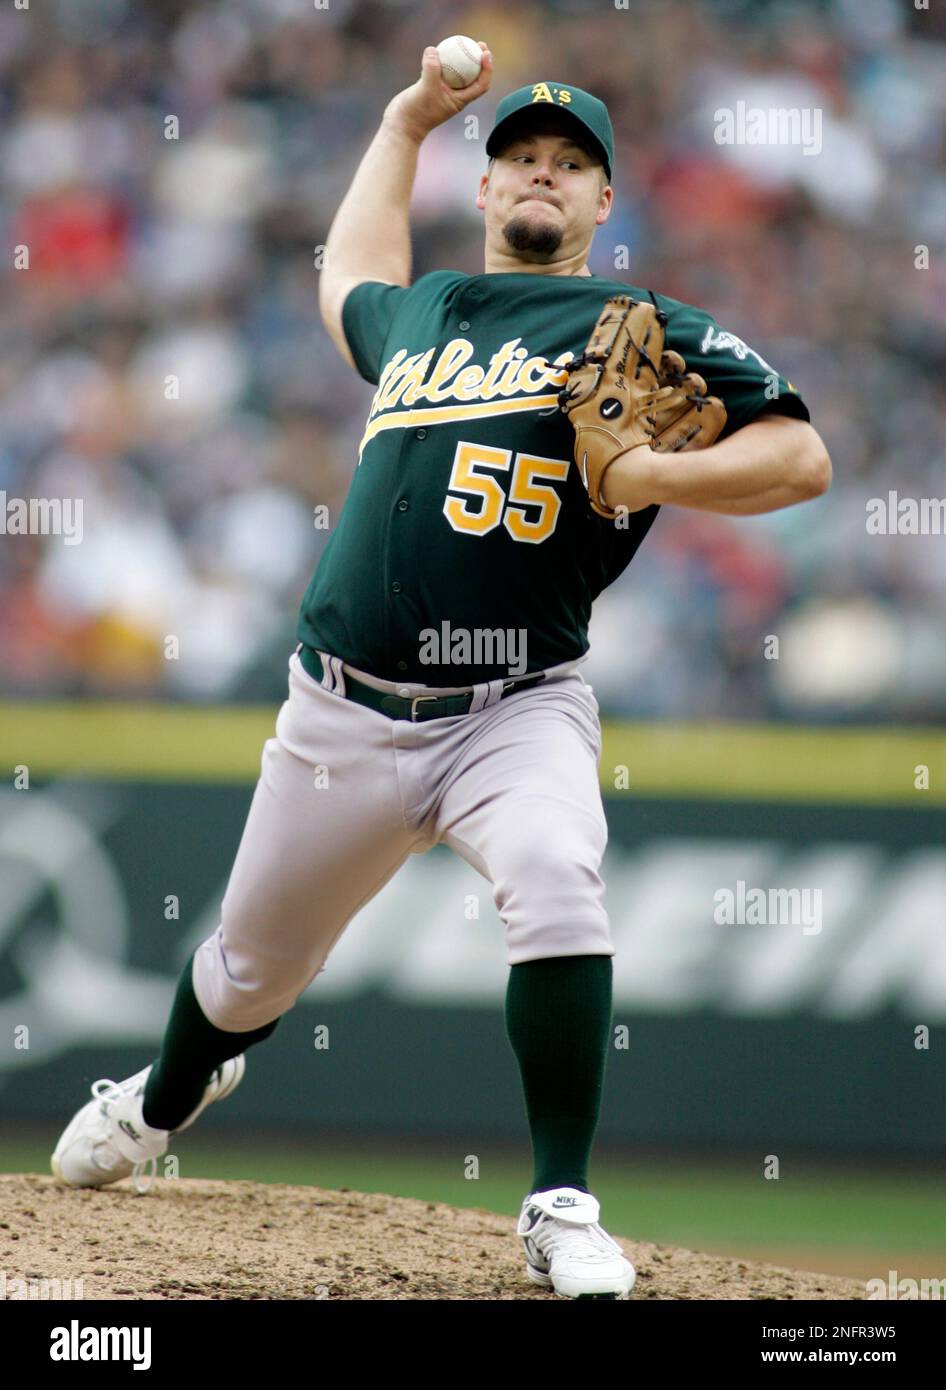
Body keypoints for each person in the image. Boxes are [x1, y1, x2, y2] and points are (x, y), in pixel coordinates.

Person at [51, 44, 831, 1301]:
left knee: (556, 875)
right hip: (340, 713)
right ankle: (161, 1097)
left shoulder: (644, 328)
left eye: (571, 165)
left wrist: (646, 476)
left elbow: (800, 461)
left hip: (513, 709)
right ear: (484, 191)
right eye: (521, 156)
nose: (542, 173)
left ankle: (558, 1201)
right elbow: (351, 276)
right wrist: (407, 119)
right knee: (248, 970)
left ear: (599, 207)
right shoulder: (428, 314)